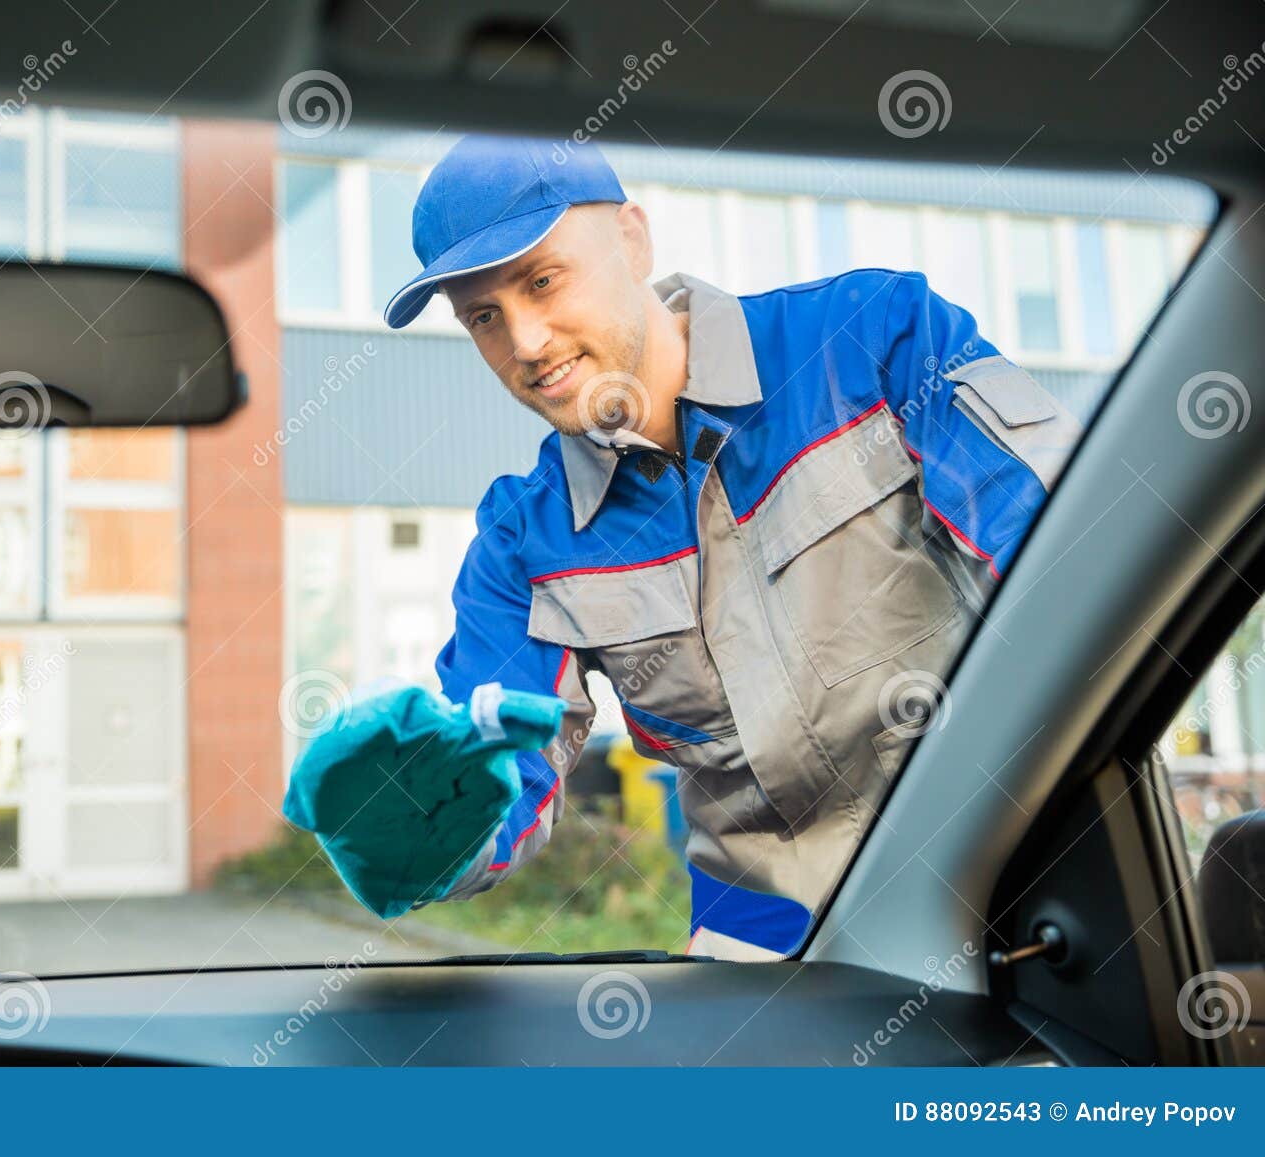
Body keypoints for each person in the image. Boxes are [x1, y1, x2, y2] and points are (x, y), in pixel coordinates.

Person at [317, 134, 1080, 961]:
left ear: (633, 240)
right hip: (762, 952)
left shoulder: (870, 344)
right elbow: (502, 779)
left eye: (541, 281)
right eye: (484, 317)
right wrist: (429, 830)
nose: (526, 343)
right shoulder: (523, 542)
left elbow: (1070, 567)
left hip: (1016, 882)